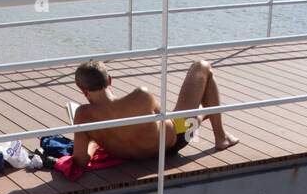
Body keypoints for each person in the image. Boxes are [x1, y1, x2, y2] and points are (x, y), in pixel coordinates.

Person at [69, 58, 238, 168]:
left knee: (197, 112)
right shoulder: (140, 96)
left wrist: (93, 140)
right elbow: (166, 118)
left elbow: (81, 161)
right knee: (202, 67)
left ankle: (204, 114)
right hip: (174, 140)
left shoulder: (83, 115)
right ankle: (220, 137)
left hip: (135, 157)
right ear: (110, 80)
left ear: (82, 90)